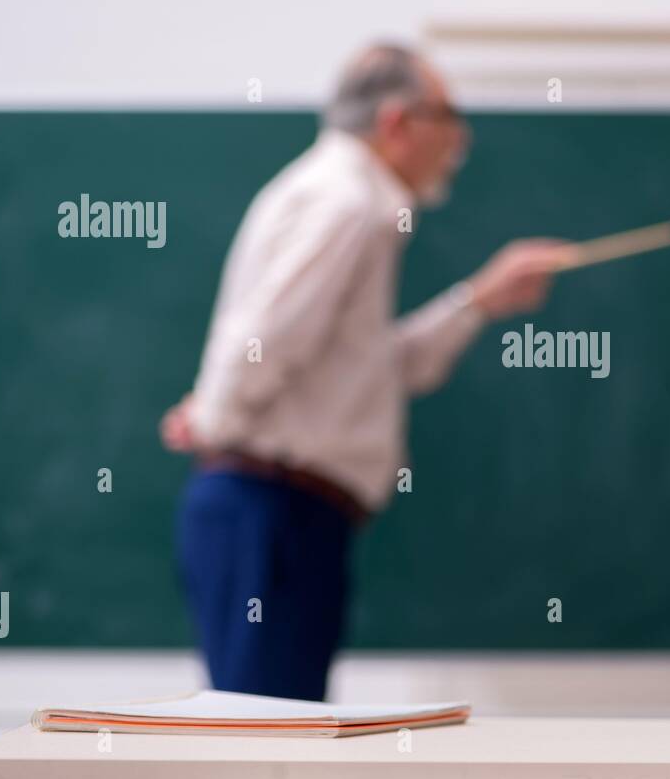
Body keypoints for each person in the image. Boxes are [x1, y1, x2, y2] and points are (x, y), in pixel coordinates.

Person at [160, 44, 570, 701]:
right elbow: (263, 339)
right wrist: (215, 420)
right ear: (396, 121)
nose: (460, 138)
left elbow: (366, 369)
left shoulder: (345, 197)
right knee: (269, 750)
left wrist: (478, 299)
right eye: (447, 116)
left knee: (275, 740)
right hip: (271, 514)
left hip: (283, 513)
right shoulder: (350, 203)